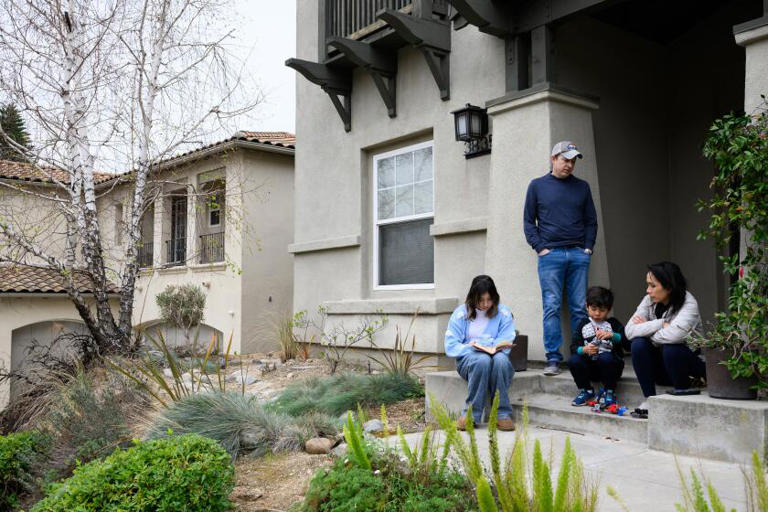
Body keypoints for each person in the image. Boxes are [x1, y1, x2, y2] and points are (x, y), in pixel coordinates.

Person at [524, 141, 598, 376]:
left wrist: (587, 248)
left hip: (578, 254)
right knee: (552, 307)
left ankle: (579, 355)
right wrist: (540, 247)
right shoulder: (537, 186)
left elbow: (591, 221)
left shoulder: (582, 187)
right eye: (565, 160)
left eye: (573, 160)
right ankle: (553, 359)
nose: (569, 165)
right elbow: (528, 221)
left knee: (579, 308)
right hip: (550, 256)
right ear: (553, 158)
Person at [626, 262, 706, 418]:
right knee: (638, 344)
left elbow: (675, 336)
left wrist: (646, 330)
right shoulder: (649, 300)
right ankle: (649, 400)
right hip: (664, 368)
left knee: (672, 348)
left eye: (652, 286)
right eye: (648, 285)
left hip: (688, 367)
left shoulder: (689, 303)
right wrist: (660, 324)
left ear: (669, 287)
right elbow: (629, 331)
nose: (648, 290)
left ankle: (682, 396)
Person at [444, 275, 517, 431]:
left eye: (489, 300)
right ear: (472, 297)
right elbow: (451, 345)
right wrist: (472, 347)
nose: (485, 305)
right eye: (480, 300)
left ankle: (502, 414)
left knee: (501, 361)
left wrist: (489, 346)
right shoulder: (460, 313)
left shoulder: (503, 313)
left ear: (494, 298)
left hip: (497, 358)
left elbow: (506, 339)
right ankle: (471, 414)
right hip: (470, 361)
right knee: (482, 360)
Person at [568, 286, 628, 407]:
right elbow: (573, 347)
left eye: (602, 310)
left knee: (606, 357)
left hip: (611, 368)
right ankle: (586, 390)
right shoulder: (583, 324)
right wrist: (584, 349)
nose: (597, 313)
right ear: (587, 306)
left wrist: (612, 335)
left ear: (609, 309)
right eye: (593, 309)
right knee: (573, 360)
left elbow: (628, 342)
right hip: (591, 370)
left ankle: (609, 392)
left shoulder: (613, 323)